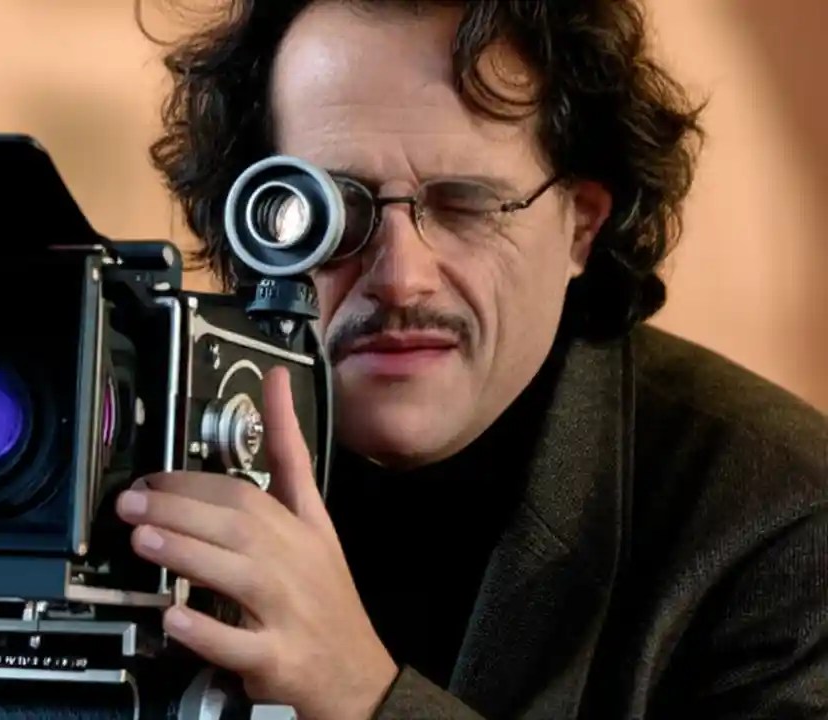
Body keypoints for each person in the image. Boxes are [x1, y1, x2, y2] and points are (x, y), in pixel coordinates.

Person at [112, 1, 828, 718]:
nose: (399, 277)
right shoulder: (131, 444)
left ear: (581, 225)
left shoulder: (780, 518)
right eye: (331, 207)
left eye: (465, 205)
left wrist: (366, 698)